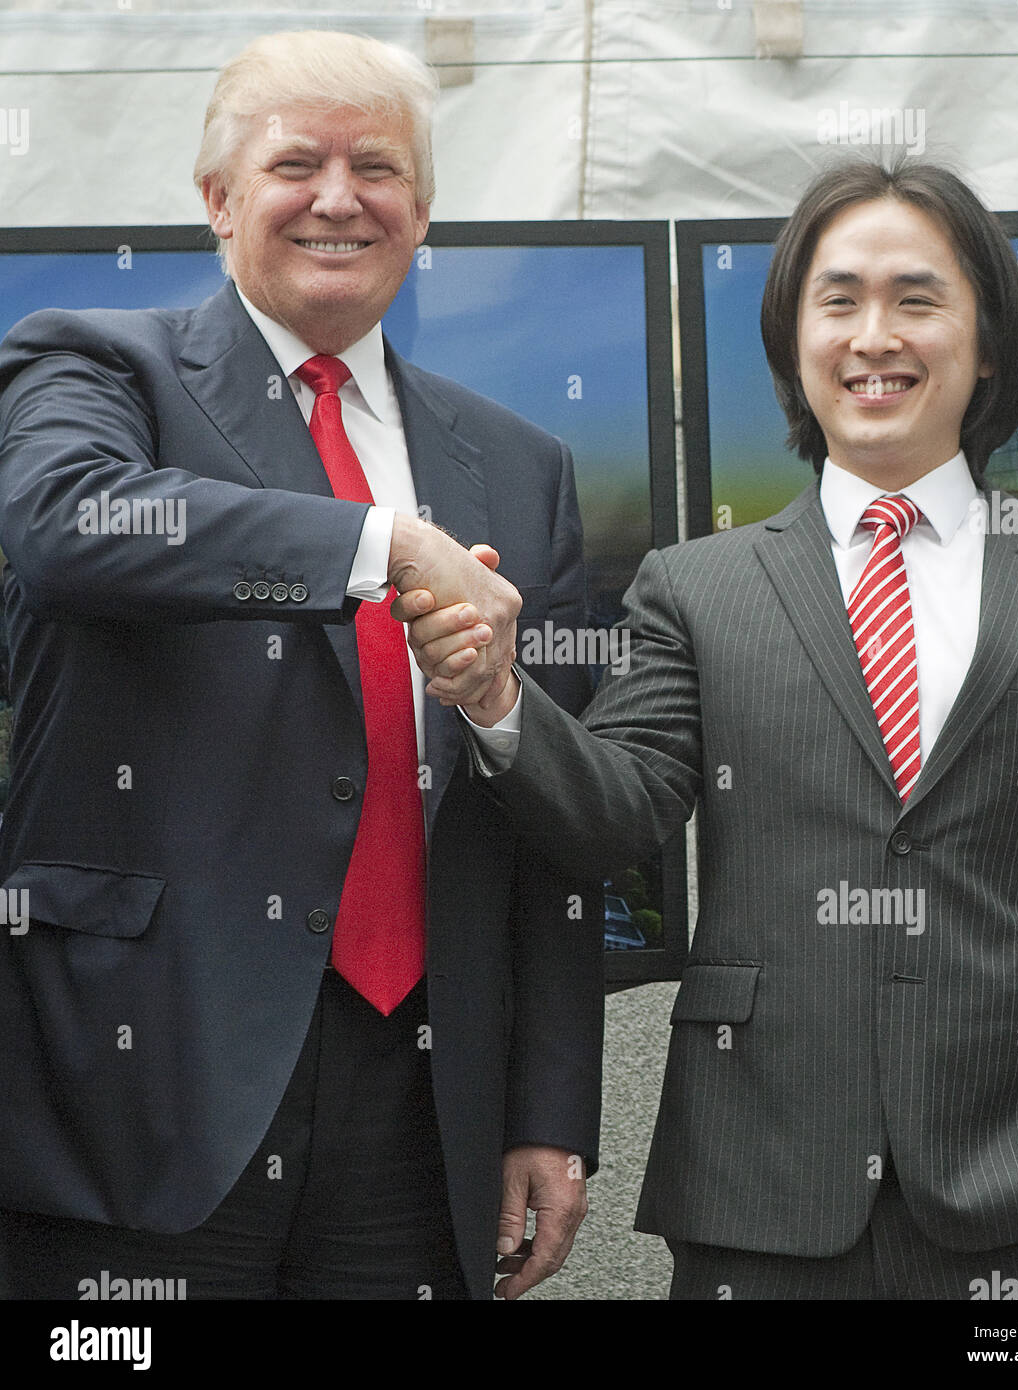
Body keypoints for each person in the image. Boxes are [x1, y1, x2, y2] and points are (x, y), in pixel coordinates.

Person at [402, 158, 1018, 1299]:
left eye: (917, 296)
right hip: (760, 1191)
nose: (873, 334)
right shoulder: (696, 586)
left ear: (989, 340)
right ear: (795, 344)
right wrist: (498, 694)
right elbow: (616, 815)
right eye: (838, 299)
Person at [0, 30, 602, 1301]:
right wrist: (386, 544)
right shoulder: (96, 365)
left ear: (422, 211)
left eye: (376, 166)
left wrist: (546, 1107)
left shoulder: (519, 462)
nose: (339, 198)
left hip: (420, 1104)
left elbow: (545, 826)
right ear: (217, 201)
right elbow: (73, 526)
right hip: (148, 1097)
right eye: (296, 164)